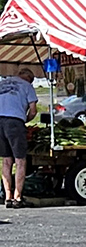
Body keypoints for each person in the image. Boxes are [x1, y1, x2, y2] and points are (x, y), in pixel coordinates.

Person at [0, 67, 38, 208]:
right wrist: (24, 120)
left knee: (6, 161)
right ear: (29, 79)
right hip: (15, 122)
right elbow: (33, 110)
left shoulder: (2, 83)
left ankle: (7, 197)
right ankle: (17, 197)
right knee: (20, 161)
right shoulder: (27, 86)